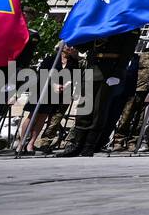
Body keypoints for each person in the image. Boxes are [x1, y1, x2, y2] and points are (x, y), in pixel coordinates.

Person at [58, 29, 141, 157]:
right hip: (93, 66)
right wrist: (75, 36)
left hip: (110, 69)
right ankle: (76, 144)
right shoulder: (99, 23)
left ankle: (90, 145)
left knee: (99, 108)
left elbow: (127, 52)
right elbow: (83, 46)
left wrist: (118, 73)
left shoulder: (128, 26)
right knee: (84, 107)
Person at [112, 38, 149, 151]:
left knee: (141, 119)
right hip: (136, 89)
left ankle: (133, 141)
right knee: (126, 115)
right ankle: (119, 140)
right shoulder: (142, 56)